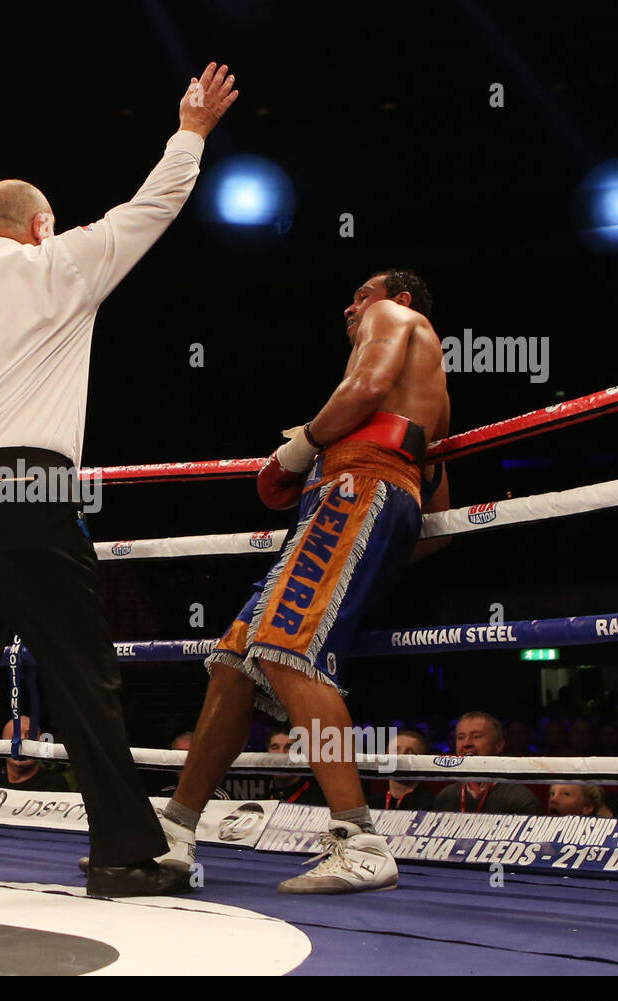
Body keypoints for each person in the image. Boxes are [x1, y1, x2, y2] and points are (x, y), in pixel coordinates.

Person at [0, 64, 238, 898]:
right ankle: (124, 854)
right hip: (23, 488)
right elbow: (153, 207)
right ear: (39, 223)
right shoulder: (59, 263)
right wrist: (191, 132)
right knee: (81, 664)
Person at [160, 269, 453, 894]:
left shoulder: (398, 321)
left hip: (358, 490)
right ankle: (175, 834)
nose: (352, 307)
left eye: (362, 294)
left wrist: (300, 448)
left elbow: (365, 383)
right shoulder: (426, 398)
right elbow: (436, 521)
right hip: (348, 504)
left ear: (399, 300)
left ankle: (359, 840)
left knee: (289, 648)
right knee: (234, 662)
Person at [431, 712, 541, 815]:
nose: (466, 743)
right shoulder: (446, 797)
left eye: (476, 736)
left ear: (498, 745)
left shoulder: (520, 799)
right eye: (461, 737)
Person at [371, 728, 437, 810]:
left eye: (410, 752)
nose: (401, 756)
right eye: (395, 750)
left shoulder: (432, 806)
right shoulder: (371, 804)